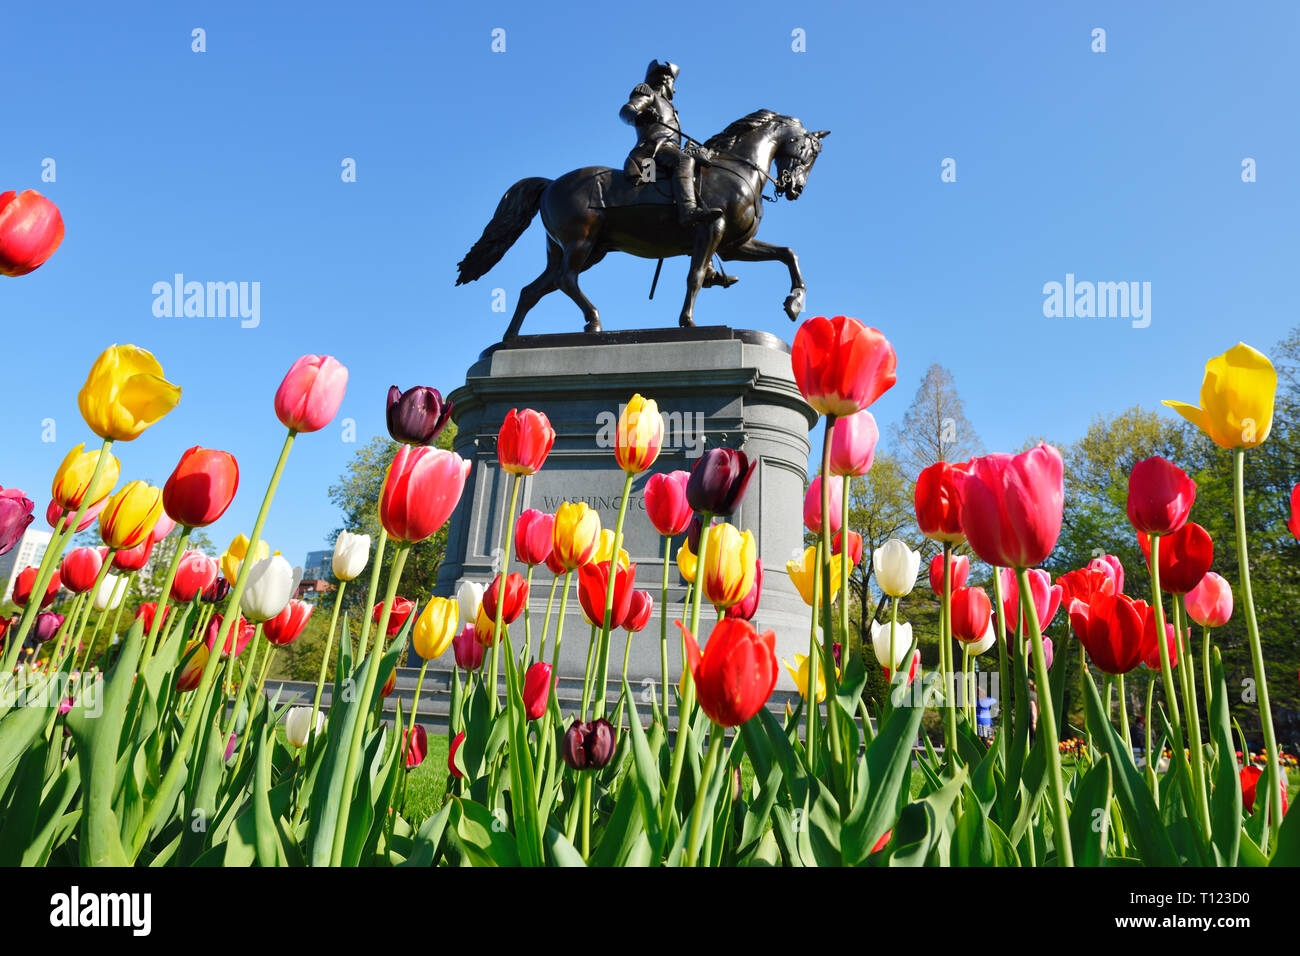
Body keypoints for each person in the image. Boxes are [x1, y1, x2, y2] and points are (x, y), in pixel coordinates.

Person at [619, 60, 723, 226]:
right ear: (666, 80)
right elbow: (626, 111)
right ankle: (688, 210)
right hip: (651, 153)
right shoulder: (649, 94)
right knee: (684, 160)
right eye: (673, 83)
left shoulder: (669, 107)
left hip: (668, 151)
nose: (674, 89)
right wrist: (639, 116)